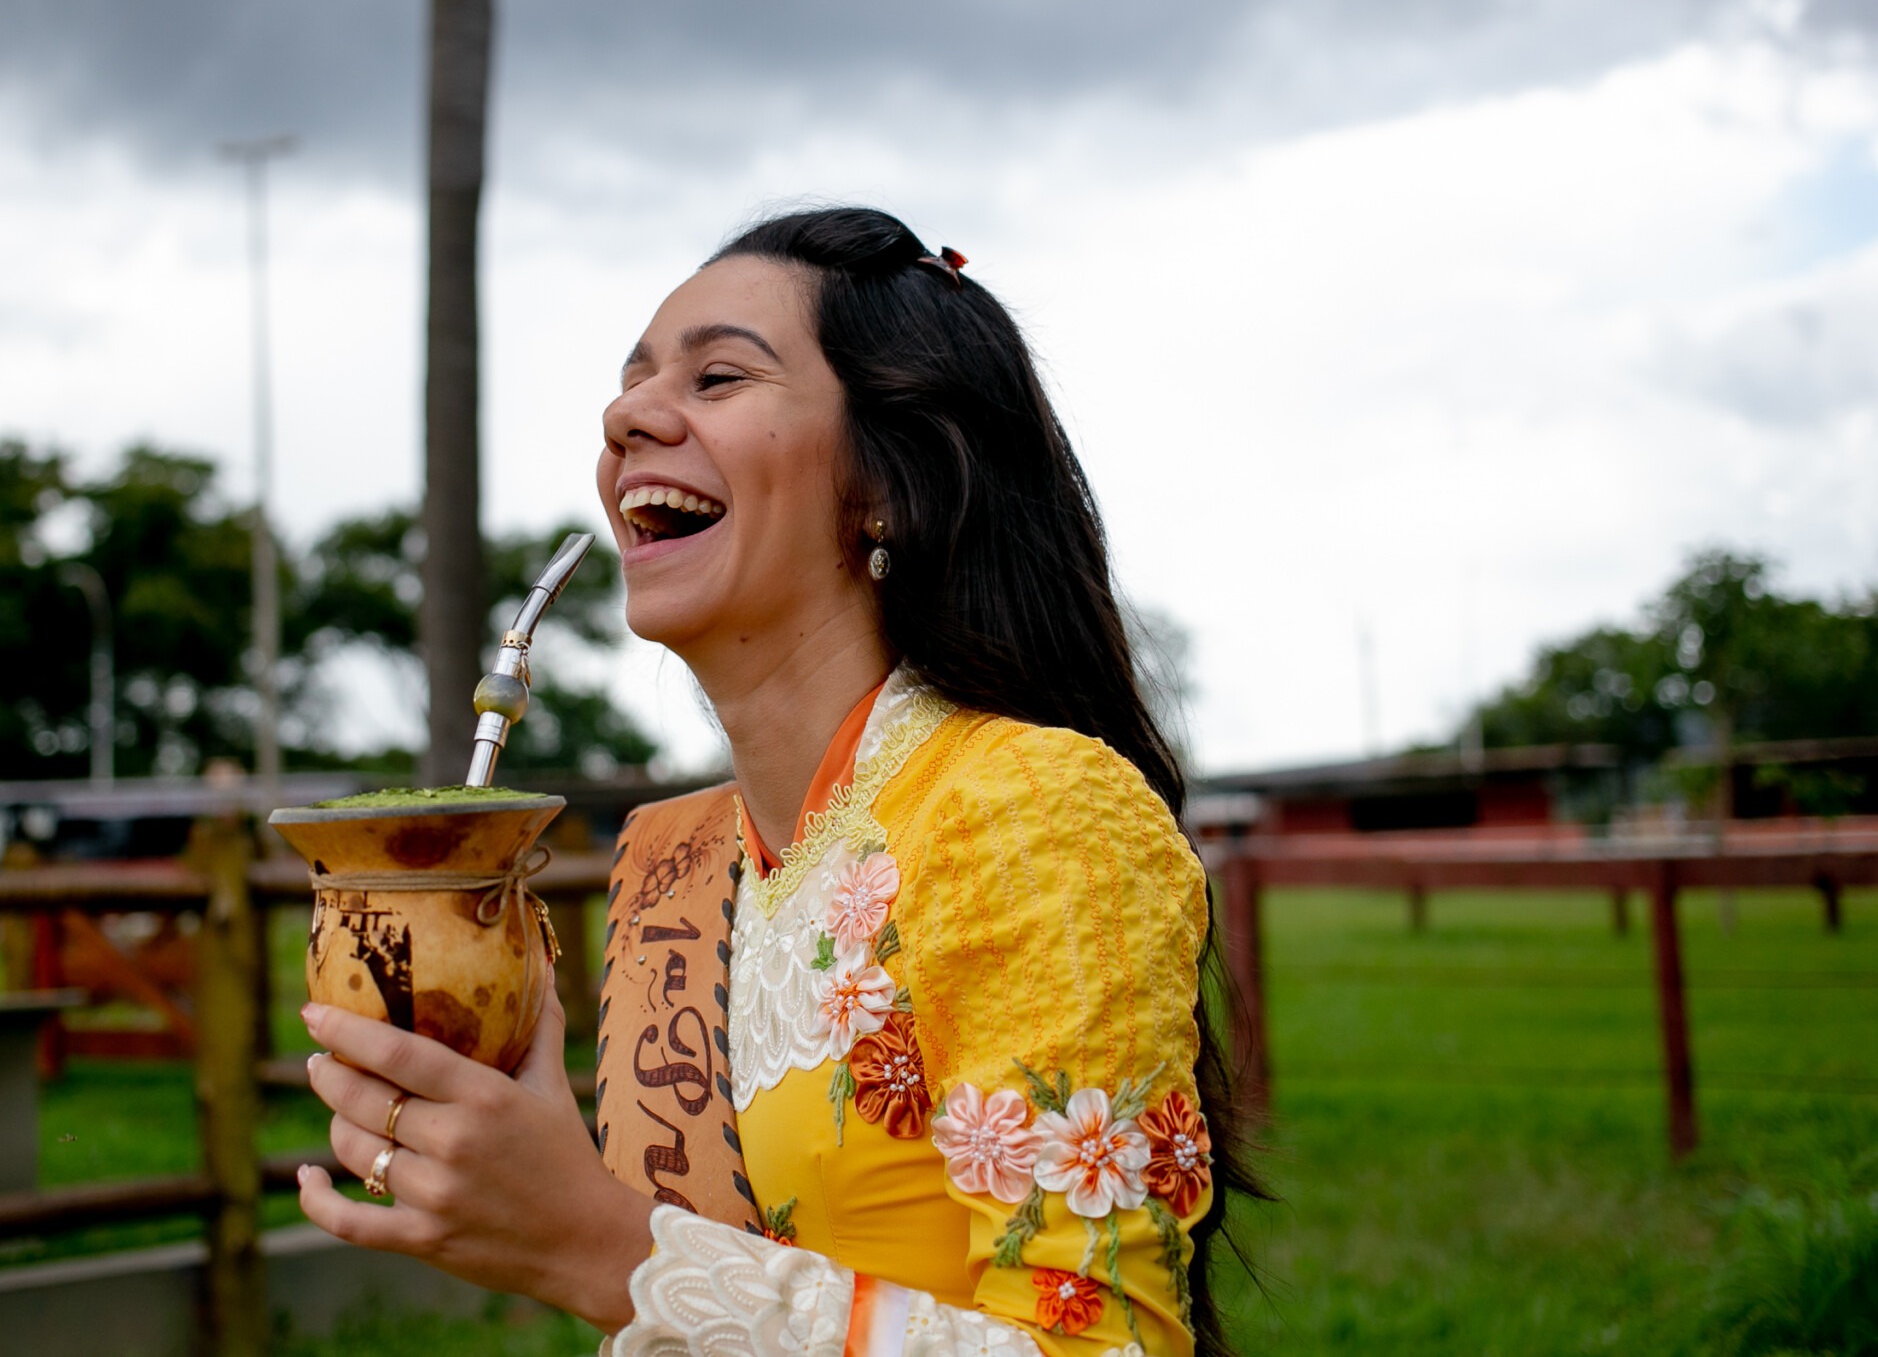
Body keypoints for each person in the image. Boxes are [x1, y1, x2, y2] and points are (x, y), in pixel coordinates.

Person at [296, 207, 1254, 1355]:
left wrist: (599, 1248)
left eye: (717, 377)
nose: (625, 417)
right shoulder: (686, 860)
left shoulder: (1029, 813)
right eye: (632, 384)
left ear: (886, 480)